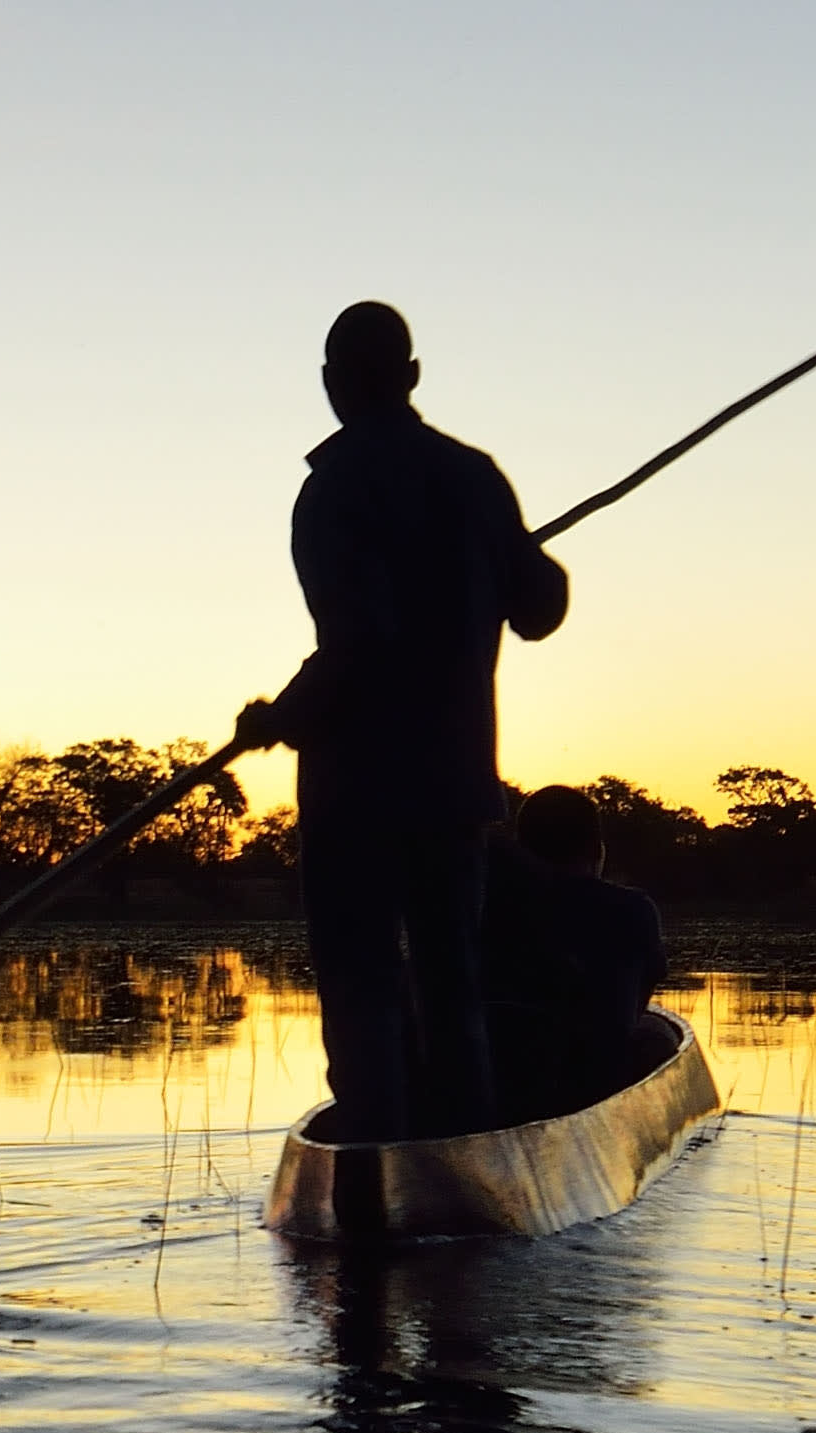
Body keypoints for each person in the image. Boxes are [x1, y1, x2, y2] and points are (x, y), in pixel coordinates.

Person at [239, 302, 569, 1140]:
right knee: (451, 984)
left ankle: (379, 1163)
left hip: (356, 791)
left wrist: (283, 717)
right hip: (451, 785)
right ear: (412, 378)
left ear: (329, 386)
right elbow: (539, 610)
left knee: (359, 987)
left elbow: (359, 642)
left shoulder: (331, 492)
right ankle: (463, 1162)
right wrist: (527, 560)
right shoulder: (473, 477)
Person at [482, 783, 667, 1117]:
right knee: (659, 1035)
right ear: (597, 849)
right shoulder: (635, 909)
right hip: (589, 1077)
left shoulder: (491, 906)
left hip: (506, 1071)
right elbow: (638, 1000)